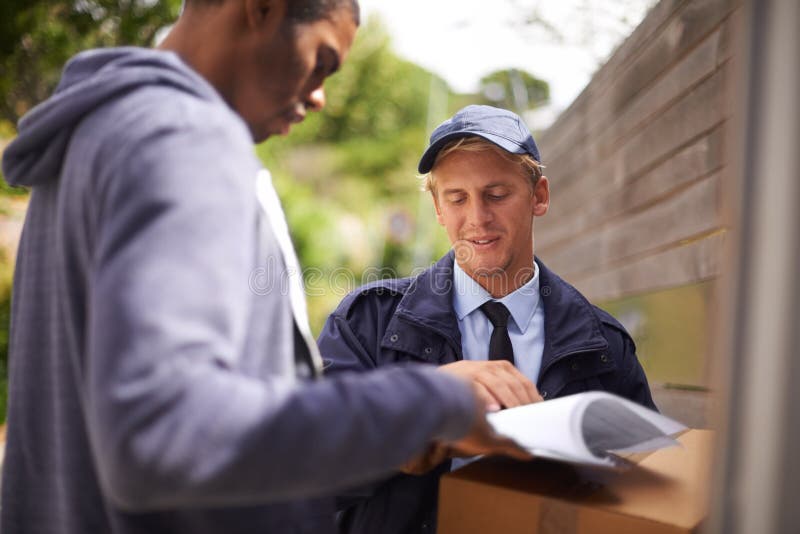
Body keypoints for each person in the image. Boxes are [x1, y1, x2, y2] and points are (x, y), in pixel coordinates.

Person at [0, 3, 529, 534]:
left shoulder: (93, 134)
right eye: (321, 60)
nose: (319, 97)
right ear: (259, 8)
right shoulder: (185, 140)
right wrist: (428, 403)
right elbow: (163, 434)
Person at [318, 104, 657, 534]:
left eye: (497, 194)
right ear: (438, 209)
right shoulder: (366, 321)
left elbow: (644, 494)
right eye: (456, 198)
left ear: (540, 196)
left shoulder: (605, 346)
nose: (477, 218)